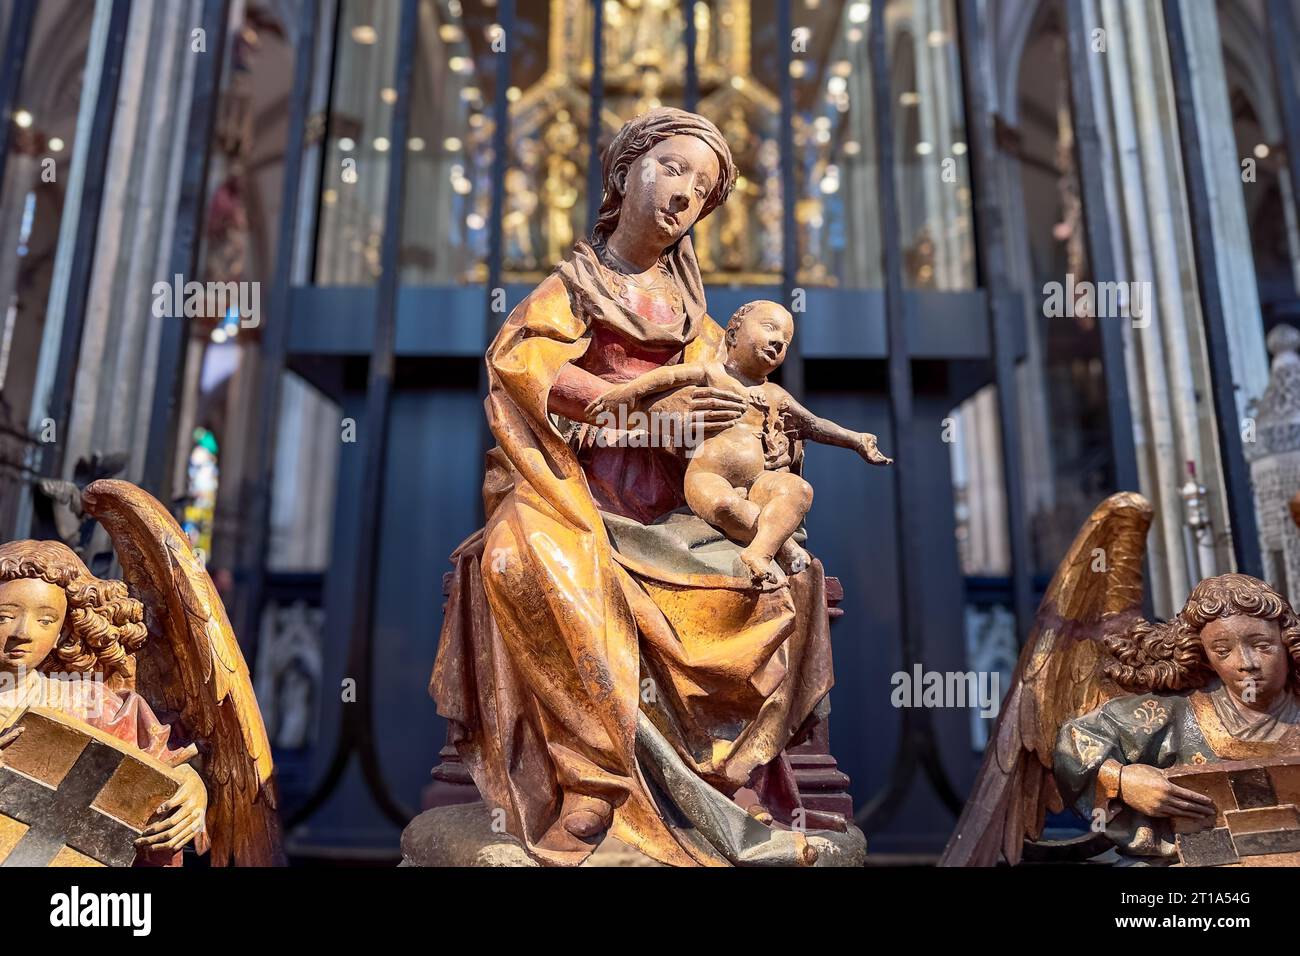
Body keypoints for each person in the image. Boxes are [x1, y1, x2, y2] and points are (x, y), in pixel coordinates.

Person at [432, 108, 863, 865]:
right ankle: (591, 782)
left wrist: (725, 433)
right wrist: (627, 407)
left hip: (673, 504)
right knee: (517, 558)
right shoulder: (576, 285)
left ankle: (732, 773)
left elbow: (726, 423)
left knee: (775, 573)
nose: (683, 194)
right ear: (627, 172)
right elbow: (523, 367)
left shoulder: (700, 319)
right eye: (671, 169)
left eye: (702, 188)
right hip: (575, 490)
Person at [1055, 573, 1300, 862]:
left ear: (1288, 642)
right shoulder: (1173, 713)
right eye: (1223, 651)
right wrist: (1121, 780)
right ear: (1204, 657)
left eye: (1262, 646)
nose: (1246, 663)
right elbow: (1074, 746)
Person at [0, 540, 208, 863]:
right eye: (5, 616)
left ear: (62, 632)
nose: (23, 633)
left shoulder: (88, 703)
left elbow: (164, 768)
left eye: (46, 620)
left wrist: (192, 790)